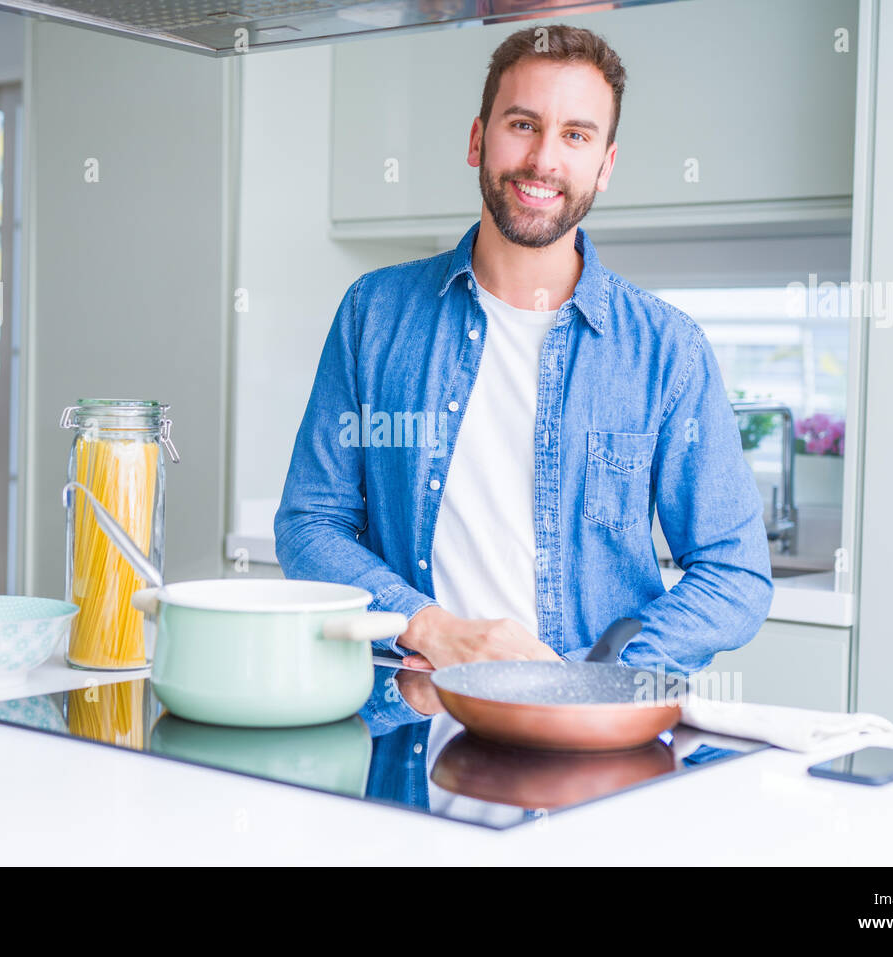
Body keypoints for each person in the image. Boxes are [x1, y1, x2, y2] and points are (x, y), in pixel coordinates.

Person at [275, 24, 772, 719]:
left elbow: (735, 571)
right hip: (404, 728)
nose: (543, 159)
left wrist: (595, 680)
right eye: (523, 124)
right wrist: (429, 625)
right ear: (478, 139)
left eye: (575, 134)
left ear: (605, 164)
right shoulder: (374, 314)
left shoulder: (667, 350)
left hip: (587, 742)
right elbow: (311, 524)